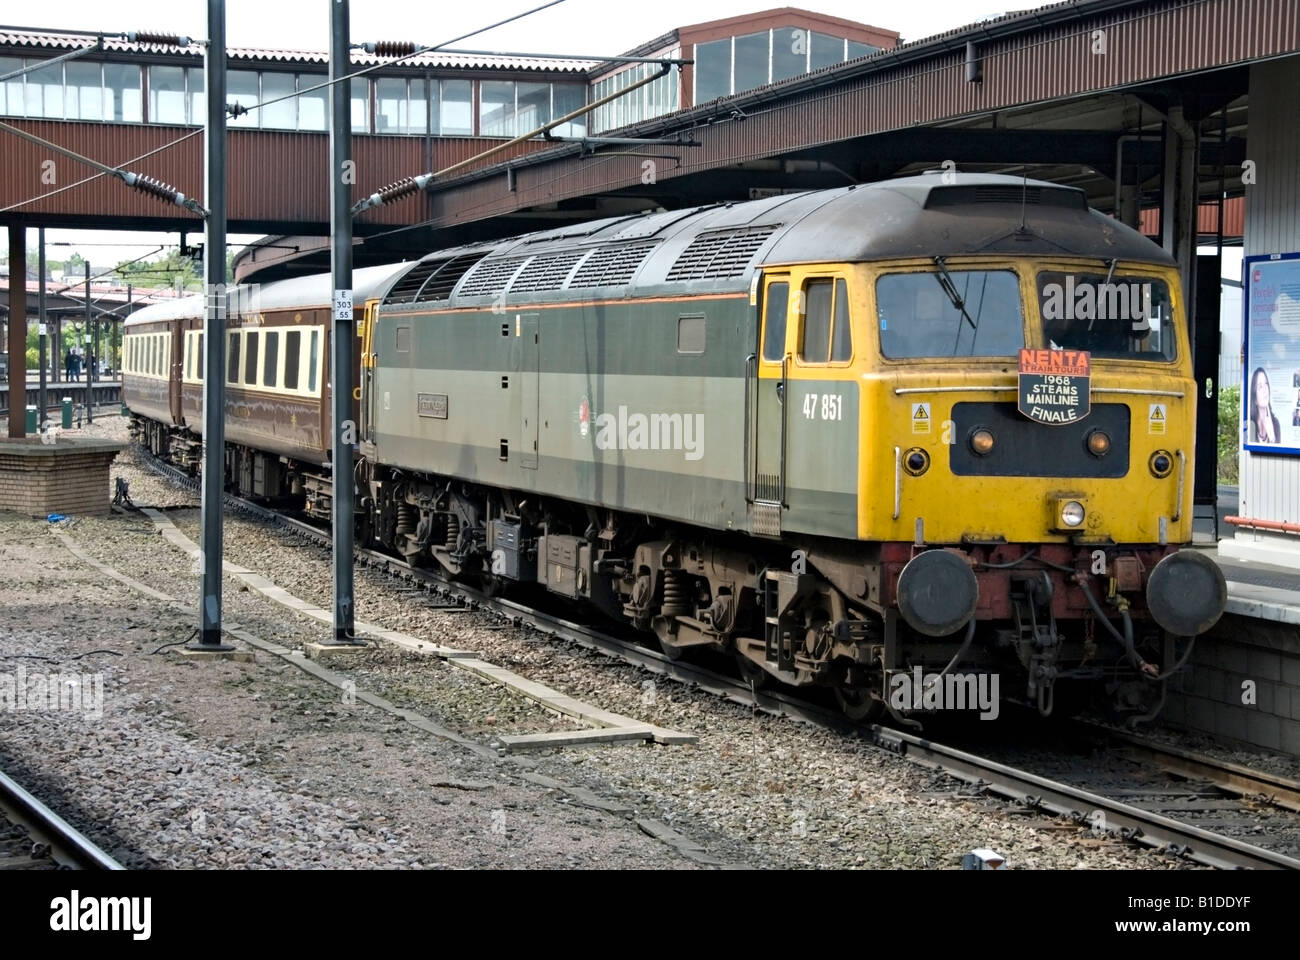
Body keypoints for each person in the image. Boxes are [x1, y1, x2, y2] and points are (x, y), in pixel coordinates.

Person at [1249, 366, 1282, 444]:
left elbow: (1277, 454)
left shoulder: (1276, 423)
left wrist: (1272, 437)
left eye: (1266, 384)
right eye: (1260, 387)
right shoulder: (1250, 423)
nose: (1265, 390)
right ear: (1255, 398)